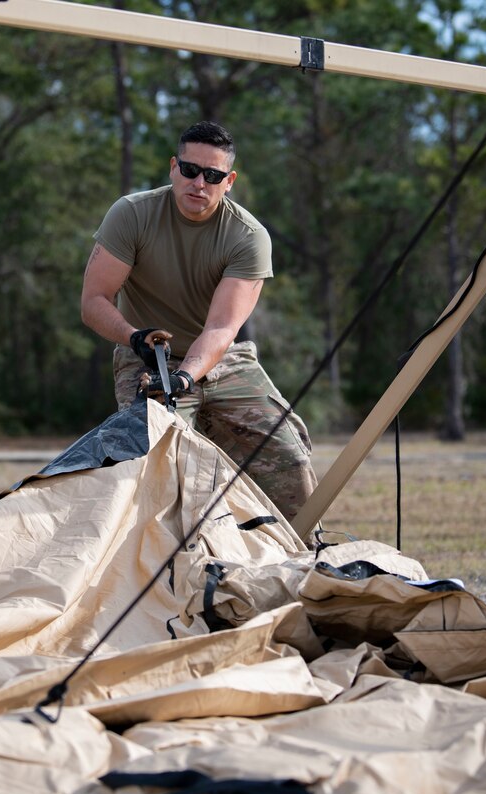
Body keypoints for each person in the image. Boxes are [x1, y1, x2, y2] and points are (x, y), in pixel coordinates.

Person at [80, 121, 318, 531]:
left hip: (223, 360)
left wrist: (186, 377)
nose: (199, 183)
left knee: (290, 460)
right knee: (152, 462)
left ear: (230, 181)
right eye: (190, 170)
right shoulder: (131, 215)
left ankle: (304, 552)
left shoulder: (248, 236)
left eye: (213, 175)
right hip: (147, 358)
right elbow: (93, 302)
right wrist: (134, 338)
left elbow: (222, 328)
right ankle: (153, 558)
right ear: (174, 167)